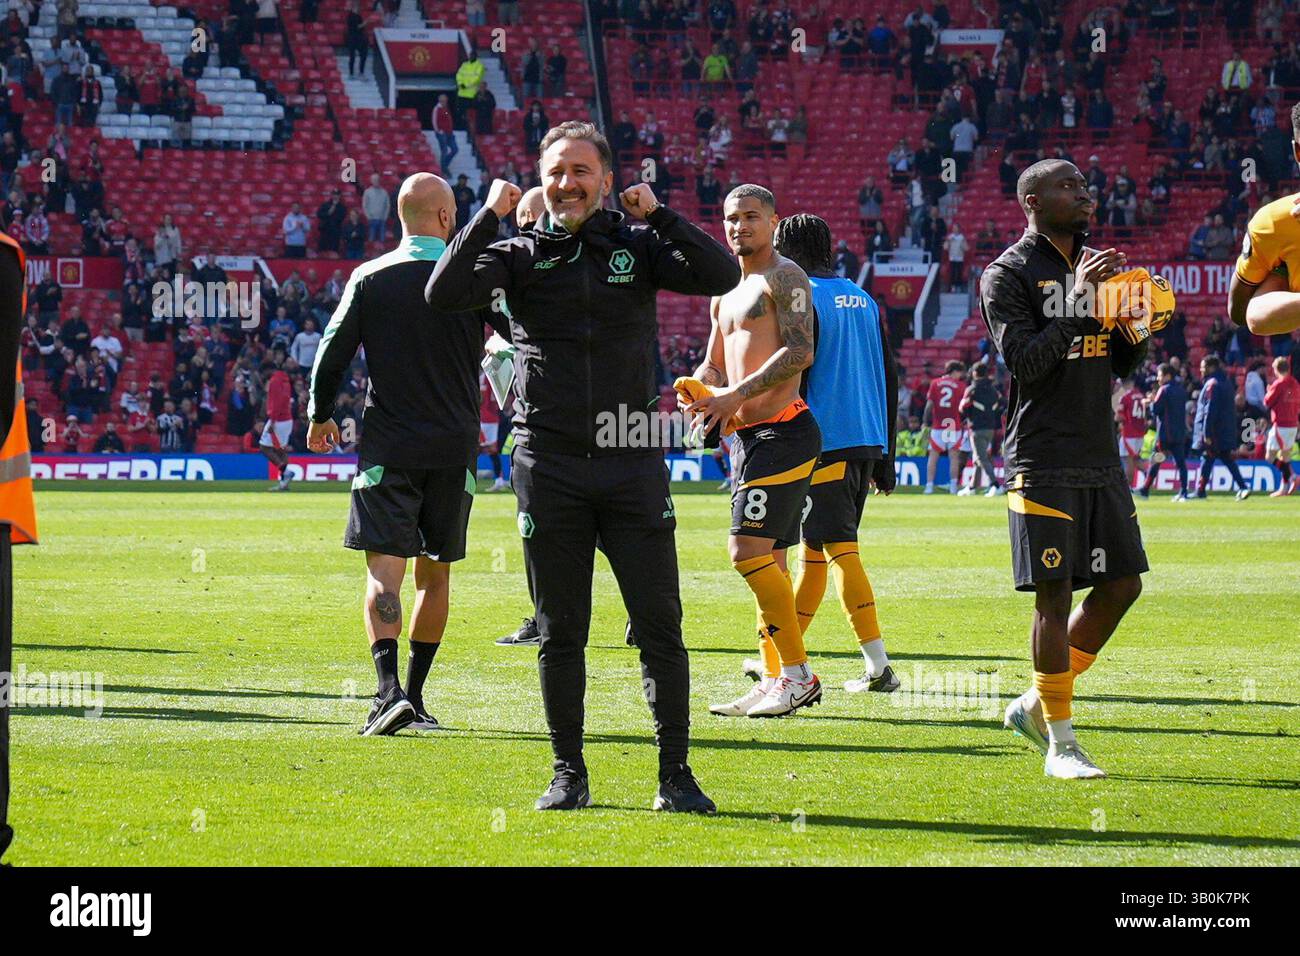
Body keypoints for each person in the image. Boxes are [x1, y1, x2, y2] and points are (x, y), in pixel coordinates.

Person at [427, 122, 737, 813]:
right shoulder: (516, 252)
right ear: (541, 181)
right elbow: (442, 294)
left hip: (631, 458)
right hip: (550, 462)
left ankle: (675, 774)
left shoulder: (637, 244)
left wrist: (659, 214)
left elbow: (722, 274)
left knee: (661, 628)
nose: (567, 184)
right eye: (555, 172)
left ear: (604, 179)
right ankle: (569, 772)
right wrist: (486, 216)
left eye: (581, 171)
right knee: (561, 631)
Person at [308, 172, 500, 736]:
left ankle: (387, 693)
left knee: (383, 577)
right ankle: (415, 698)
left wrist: (321, 416)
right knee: (434, 579)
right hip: (454, 447)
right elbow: (519, 339)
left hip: (389, 446)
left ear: (401, 217)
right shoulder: (472, 278)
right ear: (446, 219)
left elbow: (330, 353)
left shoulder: (370, 277)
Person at [980, 158, 1149, 780]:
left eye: (1085, 186)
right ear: (1032, 200)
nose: (1085, 194)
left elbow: (1123, 363)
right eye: (1068, 187)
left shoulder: (1101, 265)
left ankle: (1032, 703)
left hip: (1099, 454)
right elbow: (1026, 363)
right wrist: (1080, 300)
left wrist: (1136, 319)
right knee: (1055, 597)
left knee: (1123, 586)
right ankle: (1062, 742)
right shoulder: (1007, 274)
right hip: (1042, 455)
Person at [681, 184, 822, 719]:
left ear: (774, 222)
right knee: (771, 563)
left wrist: (735, 394)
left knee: (746, 554)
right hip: (747, 440)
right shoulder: (723, 292)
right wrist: (700, 387)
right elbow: (715, 364)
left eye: (751, 217)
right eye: (731, 218)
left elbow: (801, 349)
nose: (740, 227)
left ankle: (799, 675)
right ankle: (775, 678)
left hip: (784, 431)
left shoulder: (786, 277)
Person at [768, 213, 902, 694]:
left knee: (838, 548)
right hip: (865, 438)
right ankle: (780, 661)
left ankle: (879, 667)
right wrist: (885, 456)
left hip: (822, 439)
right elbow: (890, 376)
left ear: (789, 250)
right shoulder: (862, 297)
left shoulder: (803, 299)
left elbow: (795, 372)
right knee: (816, 552)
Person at [1193, 355, 1251, 500]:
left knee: (1209, 457)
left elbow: (1209, 410)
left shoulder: (1212, 384)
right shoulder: (1225, 382)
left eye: (1203, 366)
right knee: (1222, 459)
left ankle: (1201, 491)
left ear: (1211, 367)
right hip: (1224, 430)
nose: (1200, 369)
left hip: (1214, 431)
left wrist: (1206, 433)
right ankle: (1242, 487)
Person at [1140, 363, 1190, 499]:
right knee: (1181, 464)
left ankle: (1145, 489)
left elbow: (1156, 410)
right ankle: (1184, 492)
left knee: (1157, 461)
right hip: (1179, 434)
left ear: (1167, 376)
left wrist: (1150, 402)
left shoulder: (1164, 390)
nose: (1158, 378)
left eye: (1160, 375)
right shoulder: (1181, 390)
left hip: (1165, 435)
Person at [923, 360, 969, 494]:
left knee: (933, 457)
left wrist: (925, 421)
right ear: (955, 371)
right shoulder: (961, 385)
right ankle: (953, 487)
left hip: (938, 425)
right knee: (954, 457)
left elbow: (929, 405)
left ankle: (929, 486)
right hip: (953, 424)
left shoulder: (935, 383)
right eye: (960, 372)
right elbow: (964, 407)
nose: (961, 375)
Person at [958, 362, 1004, 495]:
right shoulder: (993, 389)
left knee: (980, 457)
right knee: (978, 458)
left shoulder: (972, 389)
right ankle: (972, 488)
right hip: (990, 427)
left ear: (974, 373)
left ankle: (995, 485)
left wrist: (967, 417)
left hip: (976, 427)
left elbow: (962, 407)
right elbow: (1002, 402)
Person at [1264, 356, 1300, 495]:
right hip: (1292, 424)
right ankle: (1283, 489)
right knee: (1285, 457)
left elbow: (1267, 402)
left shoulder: (1278, 384)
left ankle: (1293, 476)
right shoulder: (1295, 384)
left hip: (1281, 424)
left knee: (1270, 456)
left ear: (1276, 369)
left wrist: (1268, 391)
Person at [260, 365, 295, 491]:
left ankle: (285, 471)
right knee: (280, 450)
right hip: (287, 419)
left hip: (278, 420)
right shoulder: (286, 381)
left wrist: (273, 421)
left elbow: (276, 403)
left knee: (264, 447)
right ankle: (284, 484)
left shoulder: (274, 382)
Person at [1116, 374, 1148, 489]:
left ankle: (1128, 487)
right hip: (1139, 433)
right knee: (1135, 459)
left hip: (1129, 434)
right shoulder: (1141, 395)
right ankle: (1148, 475)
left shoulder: (1125, 397)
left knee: (1127, 460)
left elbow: (1118, 417)